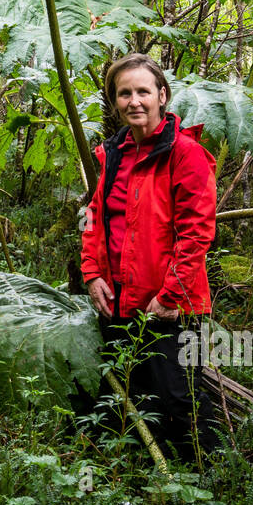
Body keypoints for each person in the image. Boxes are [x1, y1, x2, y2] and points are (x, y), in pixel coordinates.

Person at [80, 53, 220, 463]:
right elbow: (94, 217)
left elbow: (197, 234)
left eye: (143, 91)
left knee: (179, 401)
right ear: (115, 102)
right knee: (126, 399)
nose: (134, 101)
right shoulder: (114, 154)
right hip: (119, 301)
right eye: (125, 93)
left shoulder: (185, 154)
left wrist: (171, 295)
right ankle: (137, 491)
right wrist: (91, 274)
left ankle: (207, 490)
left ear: (162, 96)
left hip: (168, 306)